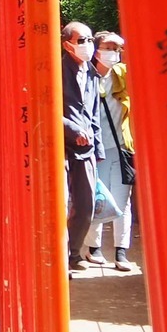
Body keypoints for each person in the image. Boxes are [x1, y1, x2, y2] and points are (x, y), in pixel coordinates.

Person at [89, 32, 136, 271]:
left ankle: (121, 251)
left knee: (122, 200)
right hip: (95, 147)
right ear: (97, 49)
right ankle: (93, 247)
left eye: (118, 48)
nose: (114, 53)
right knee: (96, 197)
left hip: (121, 147)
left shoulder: (124, 75)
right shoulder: (86, 76)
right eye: (109, 47)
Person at [60, 21, 105, 272]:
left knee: (86, 205)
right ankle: (61, 254)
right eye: (81, 41)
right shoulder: (56, 70)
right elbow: (44, 107)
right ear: (67, 44)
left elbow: (94, 113)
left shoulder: (91, 72)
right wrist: (71, 129)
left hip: (86, 149)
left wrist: (97, 148)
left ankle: (74, 251)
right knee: (61, 203)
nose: (87, 45)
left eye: (90, 40)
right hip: (60, 145)